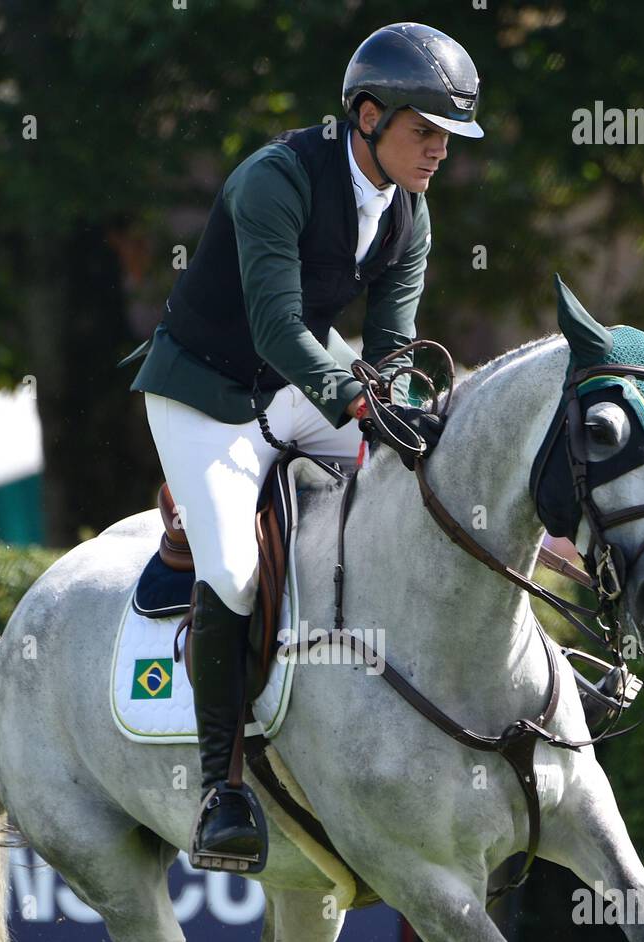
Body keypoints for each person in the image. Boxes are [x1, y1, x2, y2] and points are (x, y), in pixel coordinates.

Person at [118, 23, 484, 872]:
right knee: (236, 573)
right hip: (202, 397)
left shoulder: (409, 213)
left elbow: (393, 345)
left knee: (417, 467)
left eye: (448, 137)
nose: (438, 152)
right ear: (367, 114)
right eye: (424, 131)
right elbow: (282, 328)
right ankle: (221, 792)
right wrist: (359, 399)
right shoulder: (274, 180)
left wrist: (407, 406)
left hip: (289, 390)